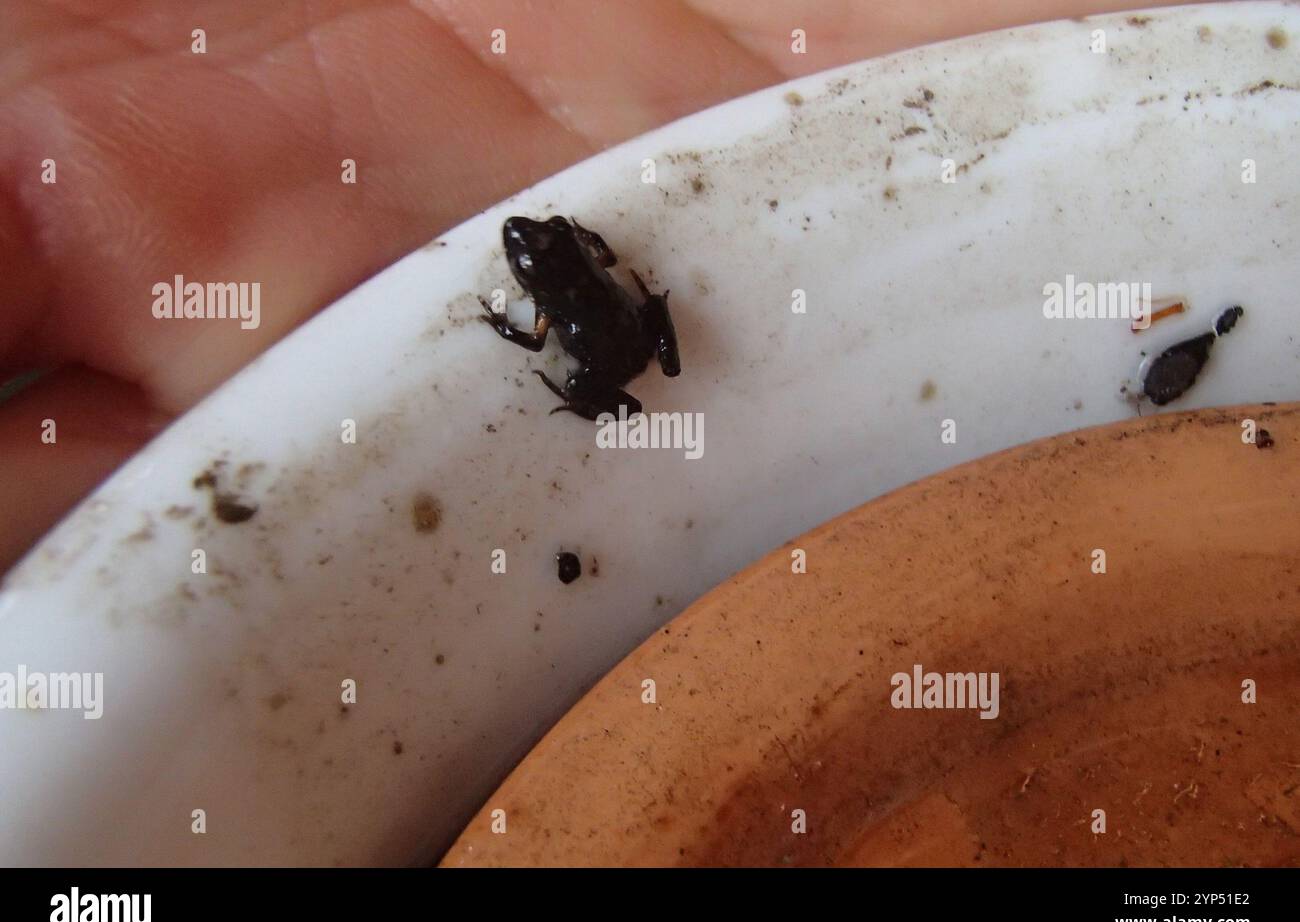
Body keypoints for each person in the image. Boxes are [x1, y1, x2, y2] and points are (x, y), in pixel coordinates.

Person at [0, 0, 1174, 573]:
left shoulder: (567, 281)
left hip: (611, 351)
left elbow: (561, 309)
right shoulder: (573, 279)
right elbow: (569, 299)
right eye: (535, 248)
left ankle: (594, 371)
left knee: (576, 359)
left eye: (540, 244)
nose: (534, 240)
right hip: (616, 344)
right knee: (590, 351)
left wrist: (563, 344)